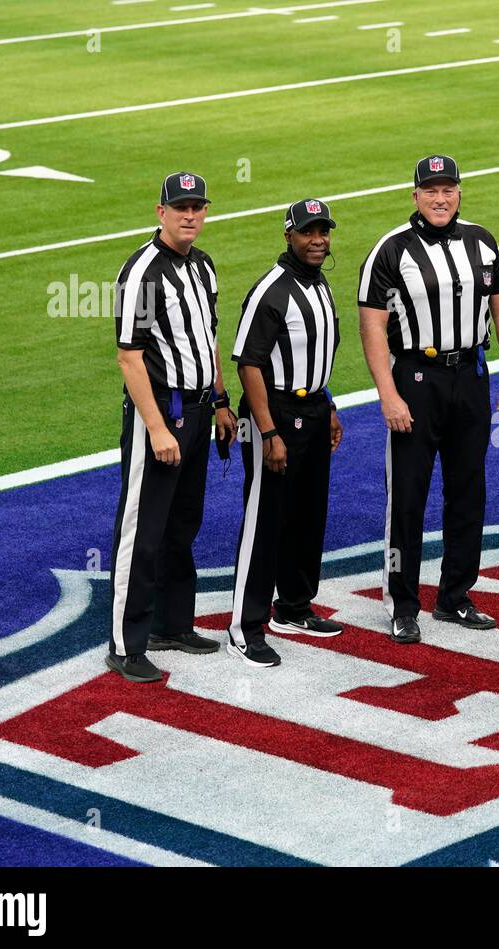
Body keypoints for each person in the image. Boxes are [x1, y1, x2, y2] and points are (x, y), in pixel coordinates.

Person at [358, 155, 499, 644]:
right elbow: (373, 327)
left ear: (459, 192)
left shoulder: (482, 241)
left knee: (468, 491)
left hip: (470, 374)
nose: (440, 198)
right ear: (415, 196)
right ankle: (401, 603)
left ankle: (455, 596)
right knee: (407, 498)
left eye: (447, 189)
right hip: (415, 377)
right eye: (430, 190)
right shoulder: (390, 250)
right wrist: (388, 394)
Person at [108, 171, 238, 682]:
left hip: (200, 408)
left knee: (183, 523)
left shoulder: (203, 266)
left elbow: (207, 339)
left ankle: (172, 624)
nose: (189, 215)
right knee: (142, 528)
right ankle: (125, 643)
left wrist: (222, 401)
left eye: (197, 206)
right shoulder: (141, 271)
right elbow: (128, 357)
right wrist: (157, 428)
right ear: (160, 212)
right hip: (161, 410)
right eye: (179, 206)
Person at [226, 199, 346, 668]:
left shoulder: (318, 284)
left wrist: (328, 404)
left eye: (324, 231)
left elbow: (312, 356)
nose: (318, 240)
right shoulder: (270, 291)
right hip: (274, 412)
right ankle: (243, 627)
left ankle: (293, 608)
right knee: (264, 520)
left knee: (307, 513)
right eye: (308, 232)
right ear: (288, 236)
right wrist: (268, 430)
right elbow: (249, 364)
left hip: (312, 409)